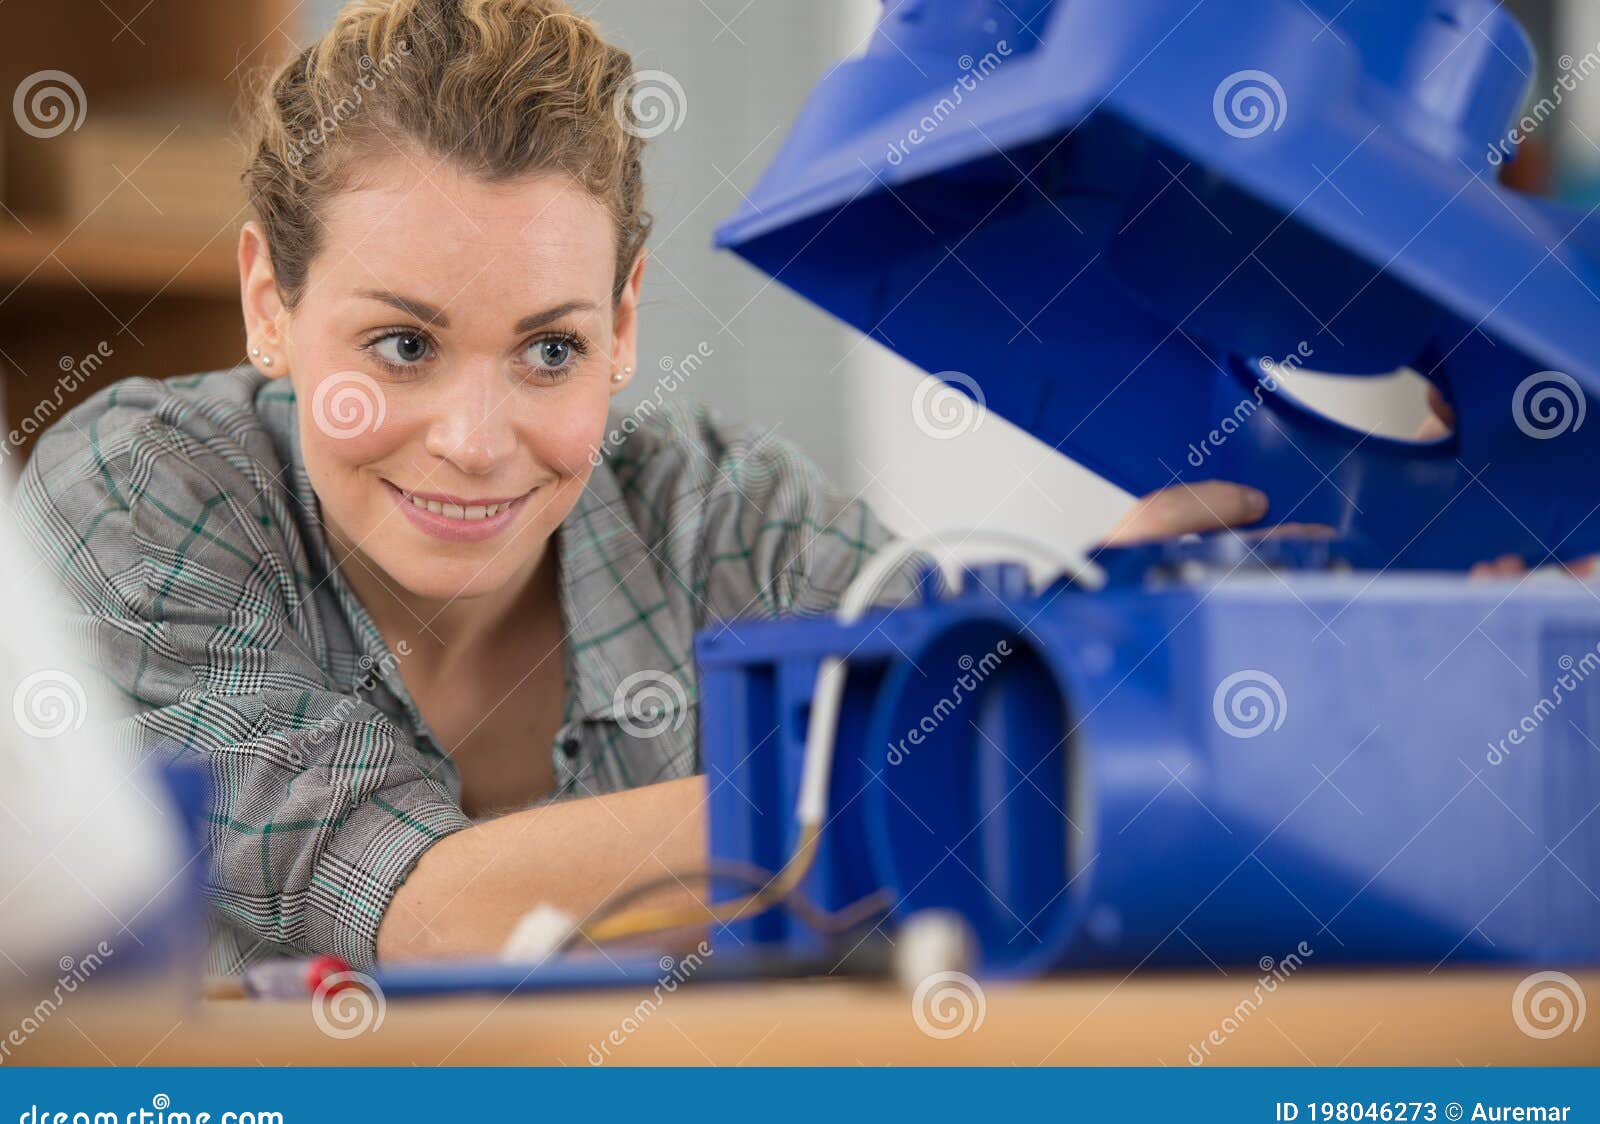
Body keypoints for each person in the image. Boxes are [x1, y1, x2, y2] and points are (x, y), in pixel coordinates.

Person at [5, 0, 1511, 975]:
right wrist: (972, 766)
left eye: (549, 350)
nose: (474, 438)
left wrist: (1135, 653)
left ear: (626, 322)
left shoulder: (720, 513)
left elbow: (978, 713)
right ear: (268, 301)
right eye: (401, 345)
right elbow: (407, 905)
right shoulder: (141, 498)